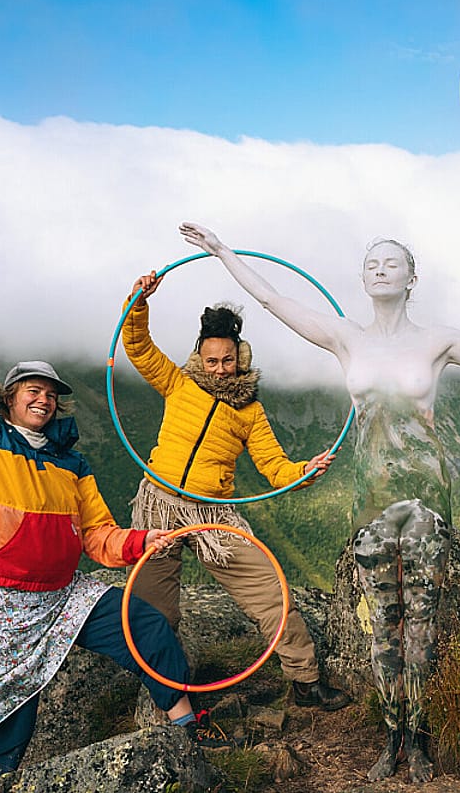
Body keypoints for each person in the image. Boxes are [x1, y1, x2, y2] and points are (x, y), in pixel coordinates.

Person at [180, 222, 460, 783]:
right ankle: (390, 737)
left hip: (426, 500)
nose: (380, 270)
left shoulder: (436, 341)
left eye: (392, 264)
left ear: (411, 278)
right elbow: (275, 300)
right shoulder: (346, 337)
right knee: (383, 630)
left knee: (421, 625)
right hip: (369, 502)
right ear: (363, 278)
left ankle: (419, 741)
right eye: (372, 263)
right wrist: (223, 251)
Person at [0, 255, 228, 784]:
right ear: (10, 399)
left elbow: (96, 533)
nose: (43, 398)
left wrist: (139, 543)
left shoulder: (72, 462)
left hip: (66, 593)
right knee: (6, 710)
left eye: (50, 393)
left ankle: (187, 733)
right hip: (5, 599)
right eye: (32, 390)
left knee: (146, 625)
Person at [122, 271, 350, 712]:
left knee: (270, 592)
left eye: (227, 360)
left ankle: (305, 682)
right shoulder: (177, 384)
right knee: (154, 612)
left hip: (212, 515)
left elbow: (275, 467)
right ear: (199, 359)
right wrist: (139, 302)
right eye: (211, 361)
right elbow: (137, 346)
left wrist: (305, 470)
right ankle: (166, 696)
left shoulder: (250, 410)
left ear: (240, 358)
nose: (220, 369)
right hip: (158, 508)